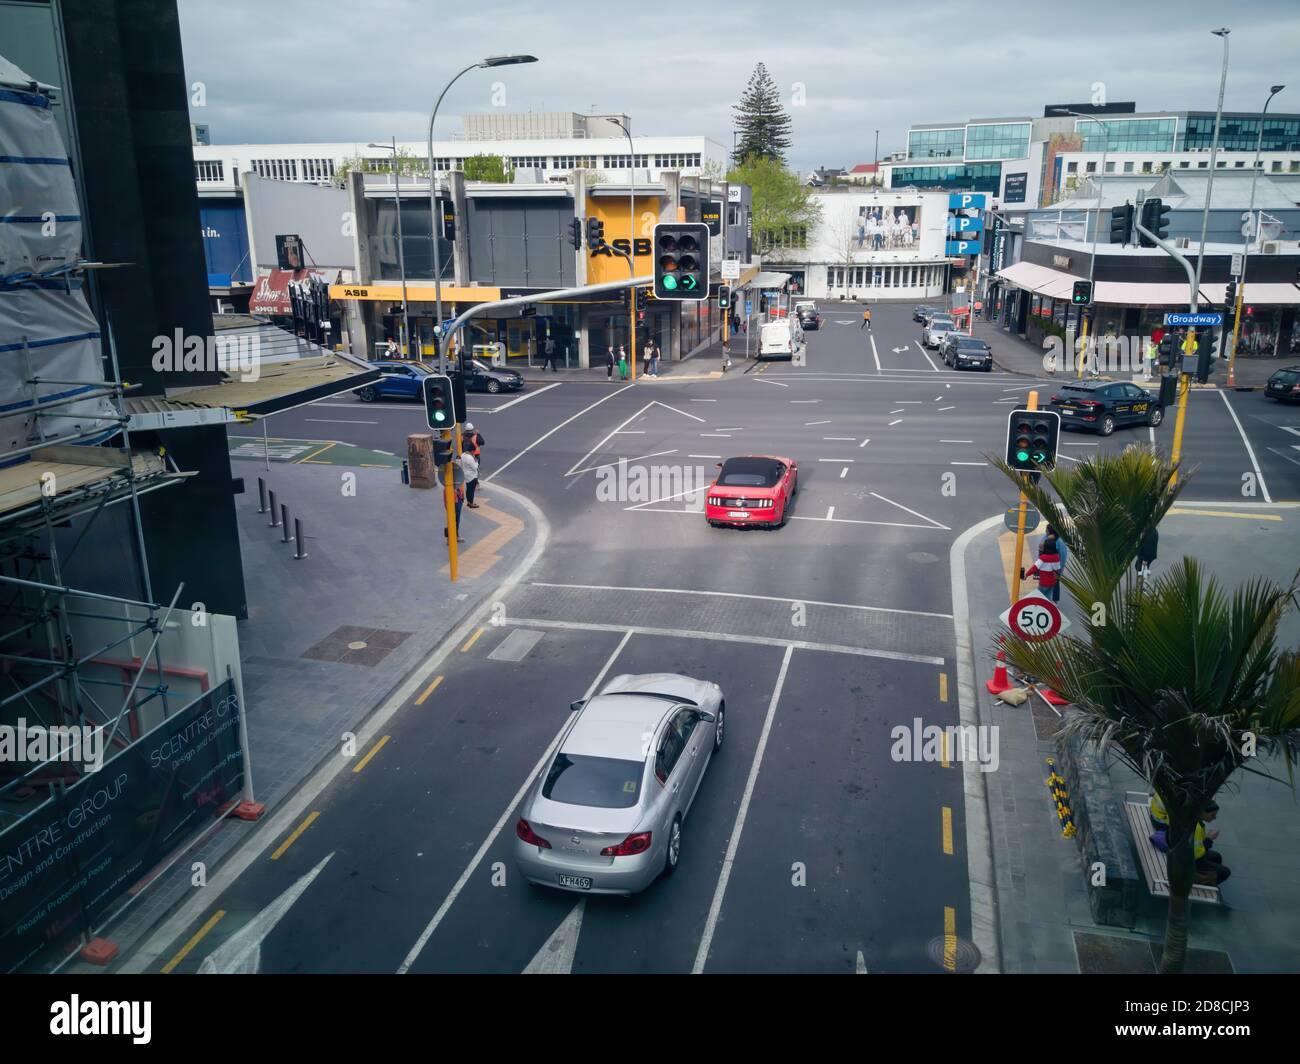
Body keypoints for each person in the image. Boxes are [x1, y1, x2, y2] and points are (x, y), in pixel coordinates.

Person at [1195, 802, 1230, 886]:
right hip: (1190, 860)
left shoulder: (1198, 822)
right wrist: (1209, 839)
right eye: (1212, 815)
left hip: (1190, 854)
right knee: (1225, 872)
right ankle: (1203, 882)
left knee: (1216, 856)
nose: (1214, 818)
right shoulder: (1197, 828)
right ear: (1203, 812)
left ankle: (1207, 876)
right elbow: (1197, 855)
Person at [1022, 536, 1062, 602]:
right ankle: (1047, 608)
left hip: (1044, 582)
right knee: (1048, 597)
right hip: (1052, 582)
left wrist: (1026, 575)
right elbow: (1058, 569)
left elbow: (1034, 568)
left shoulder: (1043, 558)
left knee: (1040, 598)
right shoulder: (1057, 557)